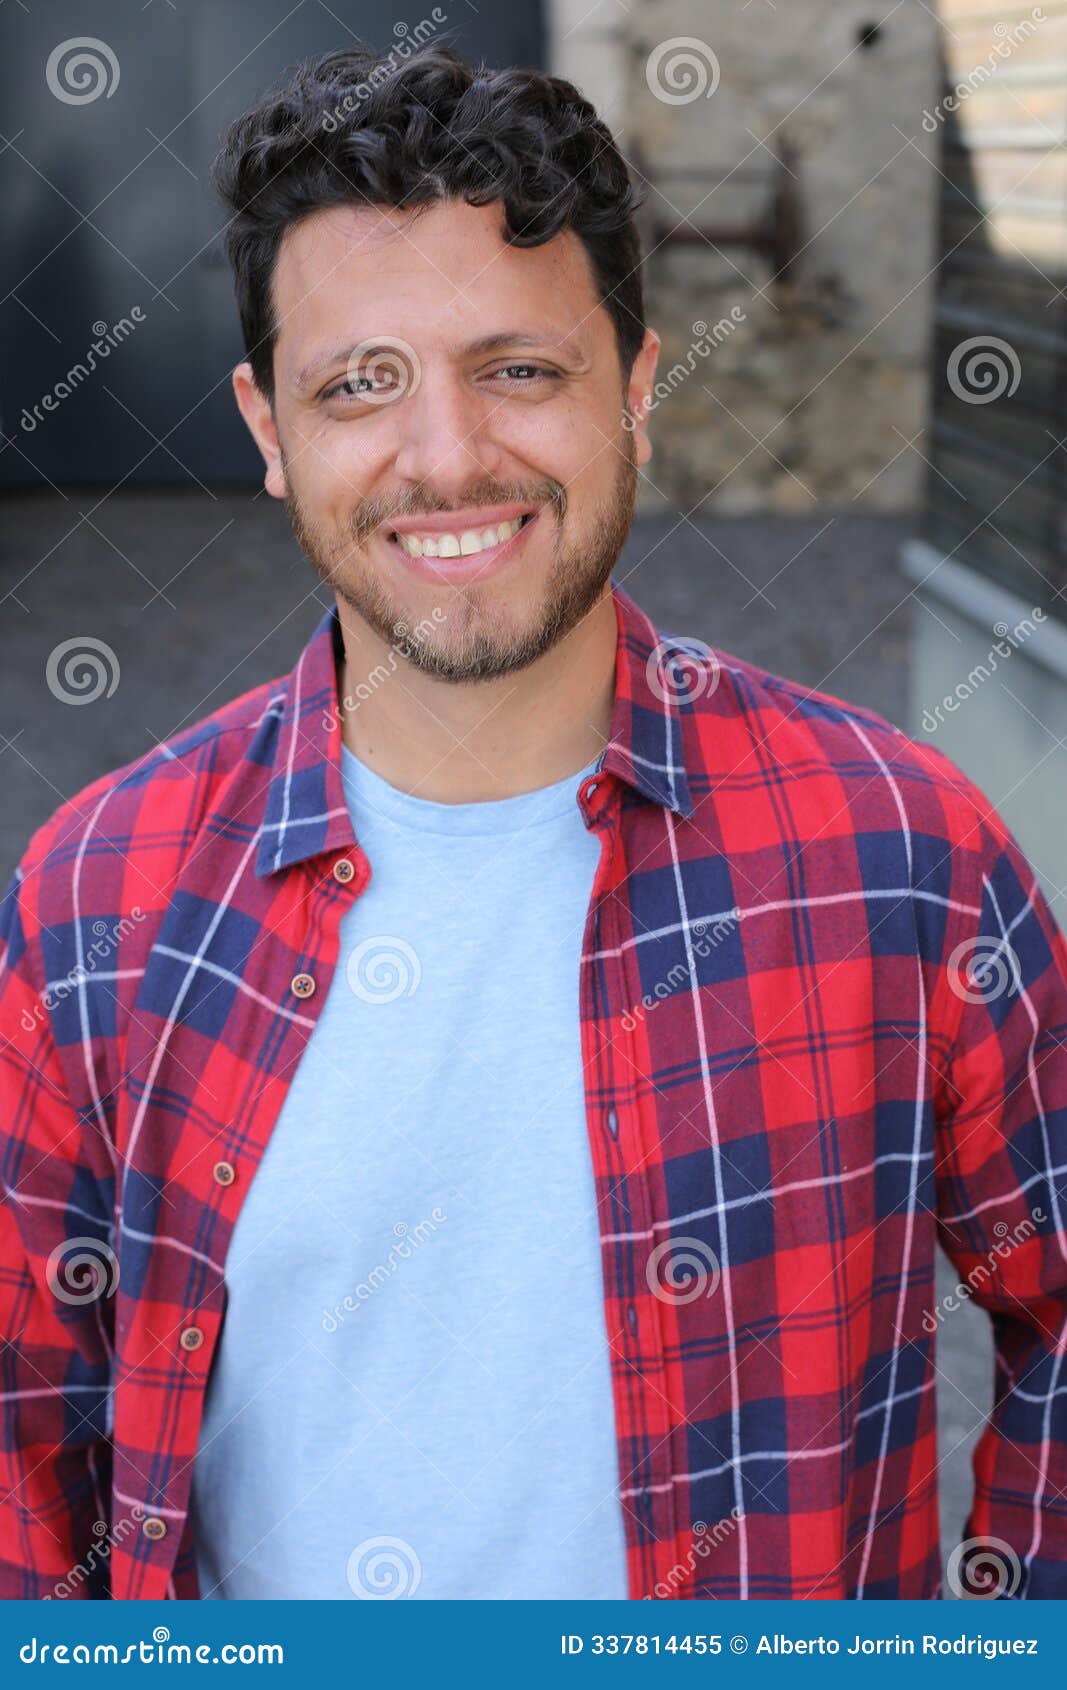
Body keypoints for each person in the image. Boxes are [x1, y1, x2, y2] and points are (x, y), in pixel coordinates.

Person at [1, 41, 1064, 1603]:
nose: (445, 456)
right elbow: (26, 1429)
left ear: (636, 388)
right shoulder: (99, 894)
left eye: (519, 368)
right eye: (359, 383)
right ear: (267, 427)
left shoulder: (902, 852)